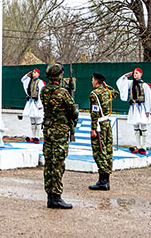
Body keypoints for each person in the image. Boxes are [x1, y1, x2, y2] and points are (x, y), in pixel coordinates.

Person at [40, 63, 79, 209]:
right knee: (58, 164)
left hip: (48, 129)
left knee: (49, 162)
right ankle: (56, 197)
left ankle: (50, 196)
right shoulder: (62, 92)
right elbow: (73, 111)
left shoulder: (44, 90)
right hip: (60, 131)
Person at [88, 72, 119, 190]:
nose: (92, 82)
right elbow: (115, 92)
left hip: (99, 125)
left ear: (96, 81)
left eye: (93, 80)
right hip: (107, 123)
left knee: (99, 151)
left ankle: (103, 181)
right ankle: (106, 180)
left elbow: (94, 112)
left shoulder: (94, 94)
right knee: (107, 150)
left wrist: (93, 128)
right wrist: (106, 86)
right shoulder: (107, 92)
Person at [117, 68, 151, 154]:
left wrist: (148, 110)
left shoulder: (144, 85)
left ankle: (144, 146)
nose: (135, 74)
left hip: (142, 107)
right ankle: (138, 146)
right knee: (136, 127)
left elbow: (148, 98)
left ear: (141, 74)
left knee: (144, 127)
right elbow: (121, 84)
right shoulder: (131, 83)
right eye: (134, 73)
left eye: (137, 73)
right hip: (134, 107)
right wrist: (125, 76)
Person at [21, 68, 45, 143]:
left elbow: (41, 93)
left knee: (38, 121)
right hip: (31, 102)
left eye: (35, 72)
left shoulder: (40, 82)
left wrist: (40, 104)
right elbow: (23, 80)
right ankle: (33, 136)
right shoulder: (30, 81)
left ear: (38, 74)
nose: (33, 73)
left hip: (37, 102)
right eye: (33, 72)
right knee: (32, 121)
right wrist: (27, 75)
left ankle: (37, 137)